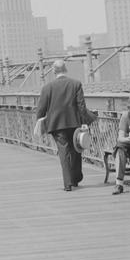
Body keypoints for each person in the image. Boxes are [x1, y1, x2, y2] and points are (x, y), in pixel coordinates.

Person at [34, 59, 96, 191]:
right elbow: (81, 105)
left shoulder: (47, 88)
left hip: (56, 124)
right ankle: (76, 178)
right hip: (74, 123)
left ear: (54, 71)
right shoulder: (76, 84)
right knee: (76, 150)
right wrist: (84, 122)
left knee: (64, 153)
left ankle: (68, 183)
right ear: (66, 69)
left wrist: (39, 121)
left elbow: (41, 109)